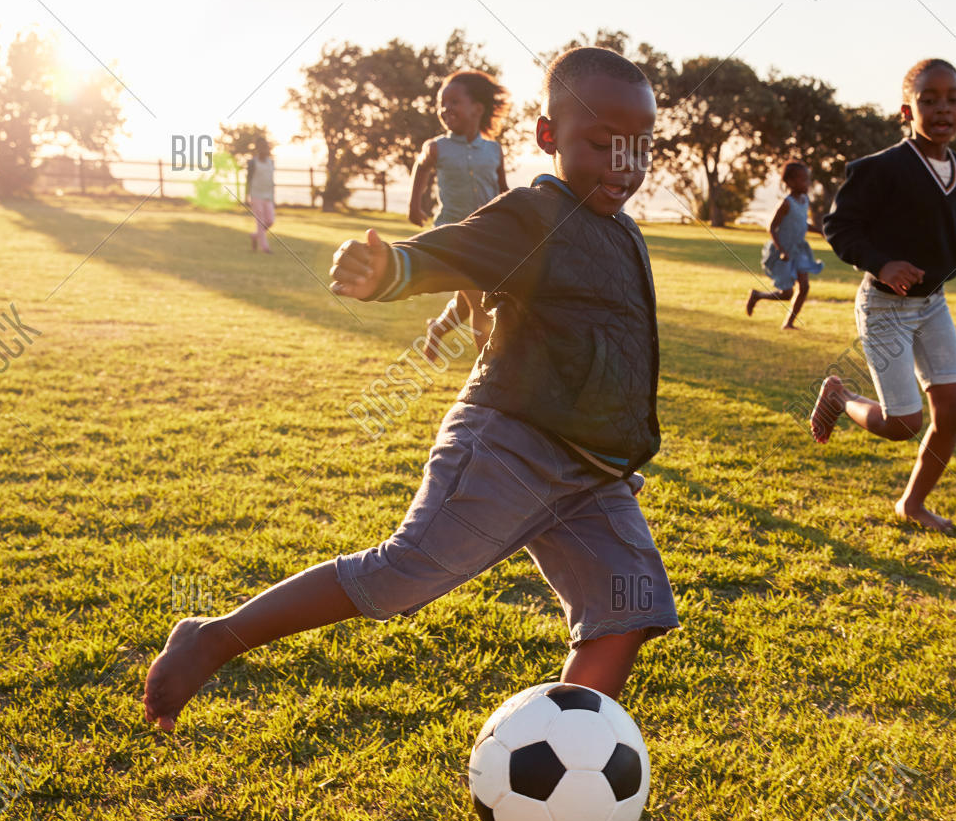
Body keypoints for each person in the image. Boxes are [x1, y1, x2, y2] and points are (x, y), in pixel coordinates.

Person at [144, 48, 674, 730]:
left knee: (627, 610)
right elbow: (451, 249)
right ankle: (215, 636)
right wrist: (390, 269)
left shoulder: (624, 232)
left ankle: (577, 748)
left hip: (594, 475)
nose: (623, 166)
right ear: (549, 138)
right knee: (403, 574)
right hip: (511, 447)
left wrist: (621, 447)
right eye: (601, 146)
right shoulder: (532, 216)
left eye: (640, 148)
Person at [814, 58, 956, 533]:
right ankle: (841, 397)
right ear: (907, 110)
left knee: (952, 412)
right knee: (903, 423)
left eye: (952, 98)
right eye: (929, 99)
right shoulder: (880, 169)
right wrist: (884, 263)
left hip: (932, 305)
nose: (943, 108)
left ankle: (912, 505)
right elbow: (838, 227)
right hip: (884, 307)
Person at [408, 69, 511, 355]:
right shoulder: (437, 147)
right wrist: (414, 204)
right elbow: (421, 168)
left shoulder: (494, 150)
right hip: (454, 237)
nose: (445, 109)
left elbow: (503, 189)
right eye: (442, 103)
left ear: (477, 108)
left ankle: (436, 329)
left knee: (466, 303)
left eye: (454, 102)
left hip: (488, 236)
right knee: (480, 301)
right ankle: (487, 370)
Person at [746, 160, 824, 330]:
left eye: (807, 179)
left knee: (804, 287)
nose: (807, 183)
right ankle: (757, 295)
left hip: (799, 250)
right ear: (790, 182)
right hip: (783, 251)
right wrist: (781, 250)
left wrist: (820, 231)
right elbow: (772, 227)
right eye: (803, 180)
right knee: (786, 294)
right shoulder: (786, 203)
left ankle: (789, 323)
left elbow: (801, 223)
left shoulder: (804, 200)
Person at [245, 138, 275, 254]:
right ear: (258, 149)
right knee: (260, 221)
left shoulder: (271, 162)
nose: (265, 150)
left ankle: (255, 235)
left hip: (268, 196)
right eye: (262, 147)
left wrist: (273, 196)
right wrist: (246, 196)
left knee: (270, 220)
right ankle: (265, 247)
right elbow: (248, 180)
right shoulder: (253, 163)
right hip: (256, 195)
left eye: (266, 147)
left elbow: (271, 180)